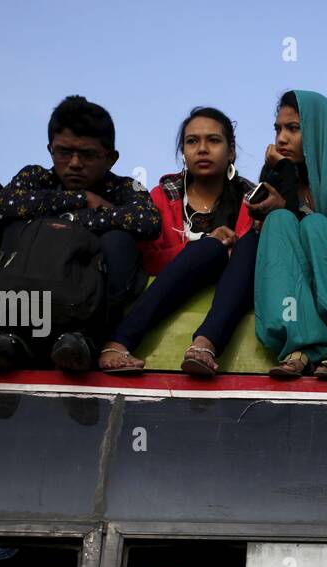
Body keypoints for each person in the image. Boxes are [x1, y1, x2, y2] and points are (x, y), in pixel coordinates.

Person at [0, 95, 160, 372]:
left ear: (110, 158)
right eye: (64, 152)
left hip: (86, 301)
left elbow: (147, 221)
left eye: (87, 155)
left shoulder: (126, 187)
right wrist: (80, 199)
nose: (74, 163)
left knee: (119, 241)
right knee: (17, 225)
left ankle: (89, 340)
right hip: (28, 297)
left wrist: (65, 219)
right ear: (50, 150)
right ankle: (8, 335)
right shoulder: (36, 177)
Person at [98, 107, 257, 376]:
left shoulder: (252, 200)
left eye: (213, 141)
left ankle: (204, 344)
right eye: (192, 141)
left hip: (233, 291)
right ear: (183, 151)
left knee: (251, 243)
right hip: (172, 286)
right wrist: (202, 247)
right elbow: (148, 258)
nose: (202, 149)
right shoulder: (162, 196)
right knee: (210, 247)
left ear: (230, 152)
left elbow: (251, 261)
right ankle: (118, 343)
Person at [251, 90, 327, 380]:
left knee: (315, 226)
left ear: (319, 132)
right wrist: (284, 174)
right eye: (278, 129)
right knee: (279, 220)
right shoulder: (280, 177)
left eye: (293, 129)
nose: (281, 139)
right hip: (299, 277)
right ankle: (302, 341)